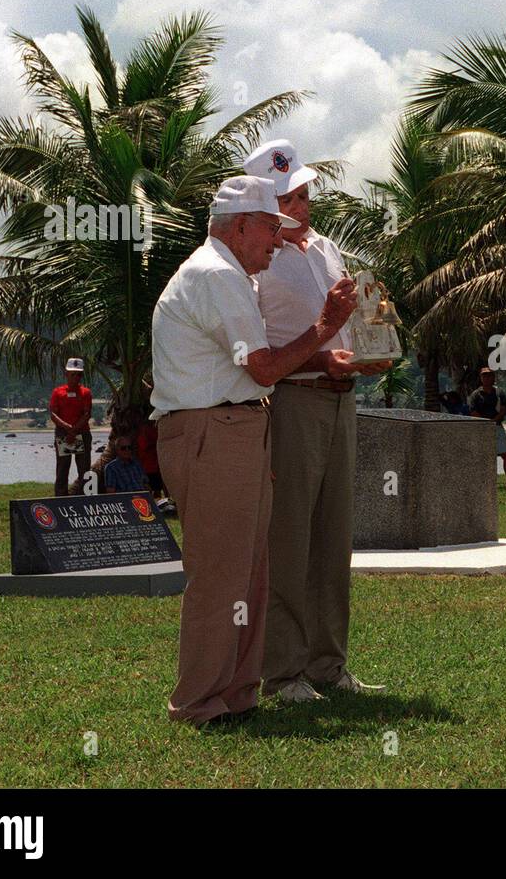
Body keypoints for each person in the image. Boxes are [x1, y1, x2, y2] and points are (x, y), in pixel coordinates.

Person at [150, 174, 357, 726]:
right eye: (270, 227)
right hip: (213, 429)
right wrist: (326, 327)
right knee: (222, 574)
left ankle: (236, 694)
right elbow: (262, 366)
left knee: (248, 571)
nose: (276, 240)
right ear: (240, 226)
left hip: (234, 427)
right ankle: (198, 702)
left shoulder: (229, 274)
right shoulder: (217, 276)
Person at [247, 139, 392, 702]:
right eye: (290, 196)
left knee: (334, 540)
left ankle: (329, 665)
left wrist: (369, 355)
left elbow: (347, 326)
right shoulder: (256, 262)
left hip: (340, 399)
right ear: (264, 201)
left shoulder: (327, 248)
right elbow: (255, 351)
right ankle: (282, 672)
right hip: (293, 400)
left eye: (305, 192)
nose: (303, 204)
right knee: (289, 538)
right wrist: (319, 359)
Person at [50, 358, 93, 496]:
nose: (75, 377)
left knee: (84, 469)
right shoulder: (58, 392)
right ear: (66, 374)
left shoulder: (86, 392)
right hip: (64, 433)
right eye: (73, 374)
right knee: (62, 468)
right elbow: (53, 414)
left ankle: (86, 498)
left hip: (81, 432)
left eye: (79, 374)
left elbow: (87, 414)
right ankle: (61, 499)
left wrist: (73, 431)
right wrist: (67, 428)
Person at [468, 367, 506, 488]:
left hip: (498, 427)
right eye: (484, 376)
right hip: (482, 429)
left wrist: (494, 421)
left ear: (493, 377)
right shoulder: (475, 395)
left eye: (489, 375)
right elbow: (473, 412)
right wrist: (487, 423)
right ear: (481, 378)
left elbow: (504, 409)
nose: (487, 378)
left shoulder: (499, 392)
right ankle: (483, 484)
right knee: (483, 457)